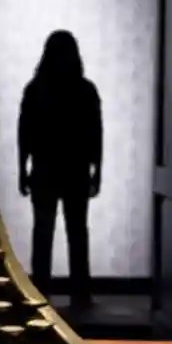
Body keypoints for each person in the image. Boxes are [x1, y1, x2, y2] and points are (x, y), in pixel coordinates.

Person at [17, 30, 102, 308]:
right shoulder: (86, 90)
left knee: (42, 233)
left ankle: (40, 292)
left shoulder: (35, 89)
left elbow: (24, 134)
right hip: (76, 171)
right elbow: (95, 134)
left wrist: (22, 169)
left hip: (44, 170)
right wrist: (97, 171)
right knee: (78, 233)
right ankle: (81, 293)